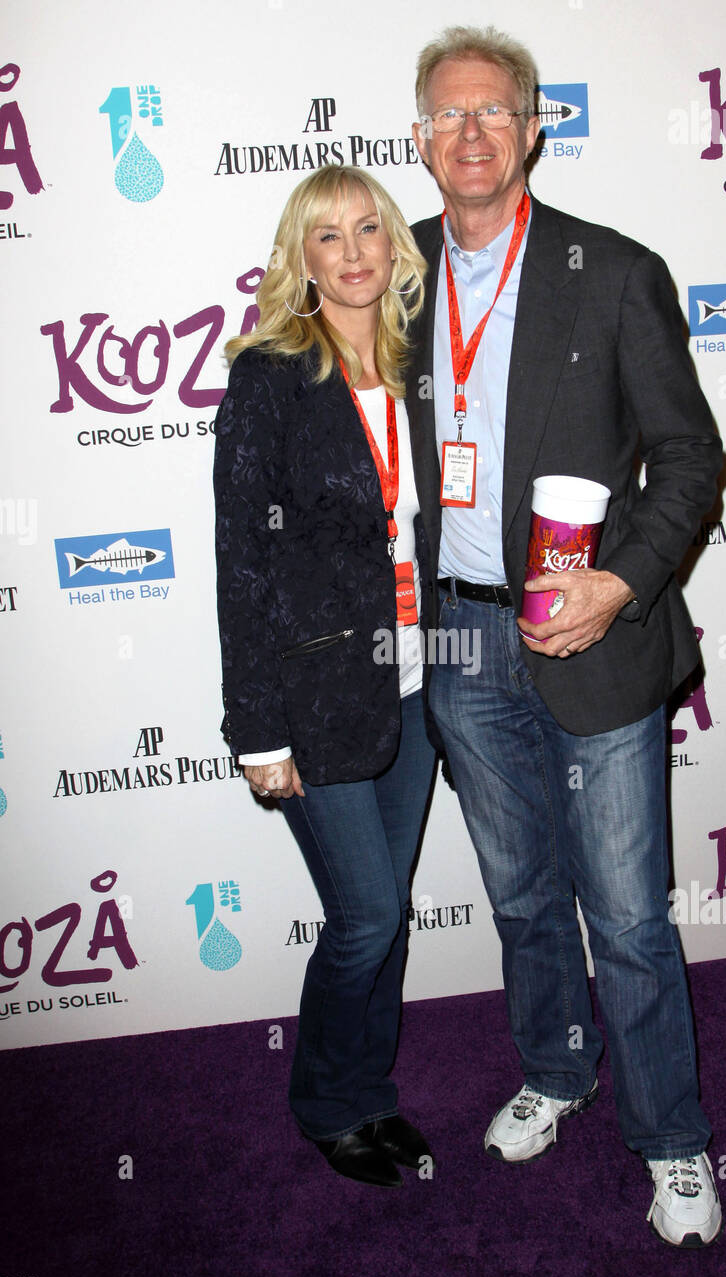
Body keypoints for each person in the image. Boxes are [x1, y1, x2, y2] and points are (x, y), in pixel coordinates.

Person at [406, 26, 724, 1245]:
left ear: (534, 128)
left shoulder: (613, 269)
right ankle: (555, 1067)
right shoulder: (390, 275)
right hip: (455, 641)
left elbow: (689, 457)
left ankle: (675, 1139)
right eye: (447, 115)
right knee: (521, 895)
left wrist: (621, 583)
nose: (471, 133)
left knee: (629, 913)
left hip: (590, 636)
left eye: (494, 111)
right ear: (419, 138)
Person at [213, 166, 436, 1189]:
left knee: (384, 911)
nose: (352, 254)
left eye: (366, 231)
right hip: (315, 700)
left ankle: (369, 1092)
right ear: (298, 259)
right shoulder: (269, 375)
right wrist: (256, 731)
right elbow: (241, 562)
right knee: (367, 918)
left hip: (415, 685)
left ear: (391, 242)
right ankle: (323, 1103)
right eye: (326, 238)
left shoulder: (418, 363)